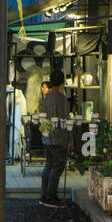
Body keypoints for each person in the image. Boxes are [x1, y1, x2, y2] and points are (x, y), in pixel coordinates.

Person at [40, 70, 70, 208]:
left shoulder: (46, 97)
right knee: (58, 165)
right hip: (57, 137)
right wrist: (68, 140)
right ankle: (51, 196)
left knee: (49, 165)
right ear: (62, 83)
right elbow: (64, 121)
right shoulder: (61, 98)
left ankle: (44, 194)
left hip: (46, 135)